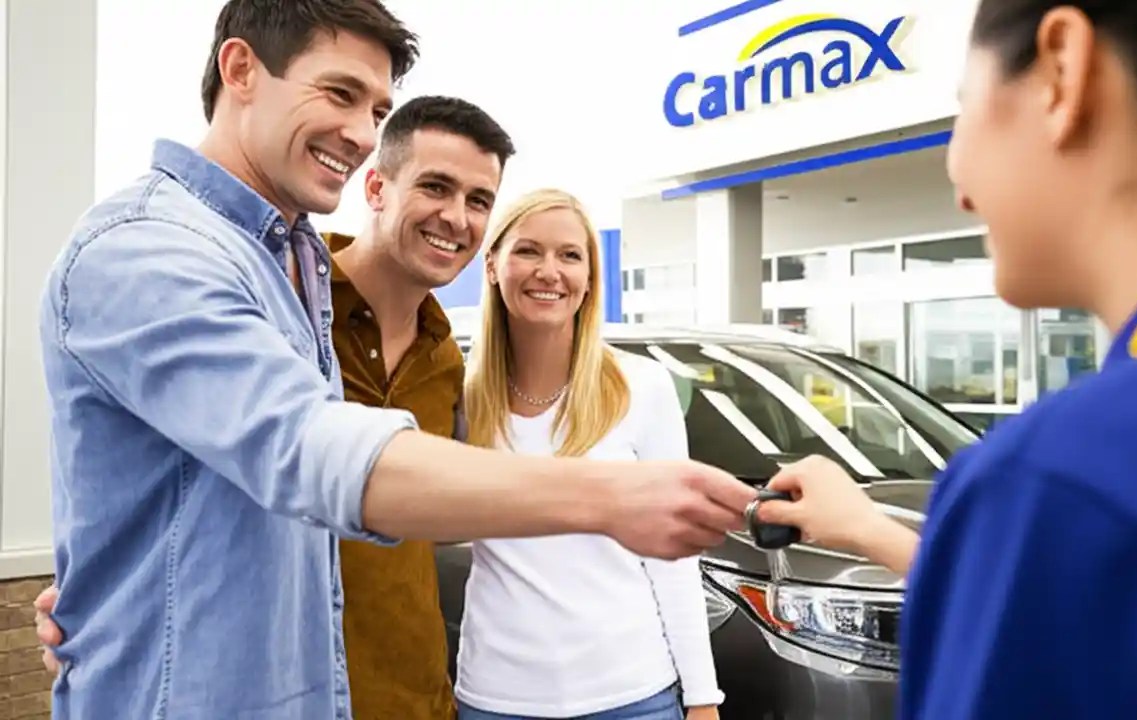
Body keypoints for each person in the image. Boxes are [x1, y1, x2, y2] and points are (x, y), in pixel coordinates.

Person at [36, 1, 754, 718]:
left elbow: (375, 518)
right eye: (340, 93)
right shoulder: (150, 249)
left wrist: (127, 579)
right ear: (240, 68)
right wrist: (610, 497)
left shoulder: (313, 277)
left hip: (409, 695)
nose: (358, 133)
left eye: (377, 109)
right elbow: (308, 450)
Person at [754, 0, 1137, 718]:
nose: (956, 170)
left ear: (1062, 70)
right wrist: (871, 529)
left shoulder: (1067, 478)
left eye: (963, 105)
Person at [453, 188, 723, 720]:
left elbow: (674, 558)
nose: (549, 271)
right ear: (492, 265)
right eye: (528, 251)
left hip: (631, 696)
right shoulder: (461, 396)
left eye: (569, 255)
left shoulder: (641, 387)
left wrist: (702, 697)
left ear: (590, 276)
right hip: (496, 698)